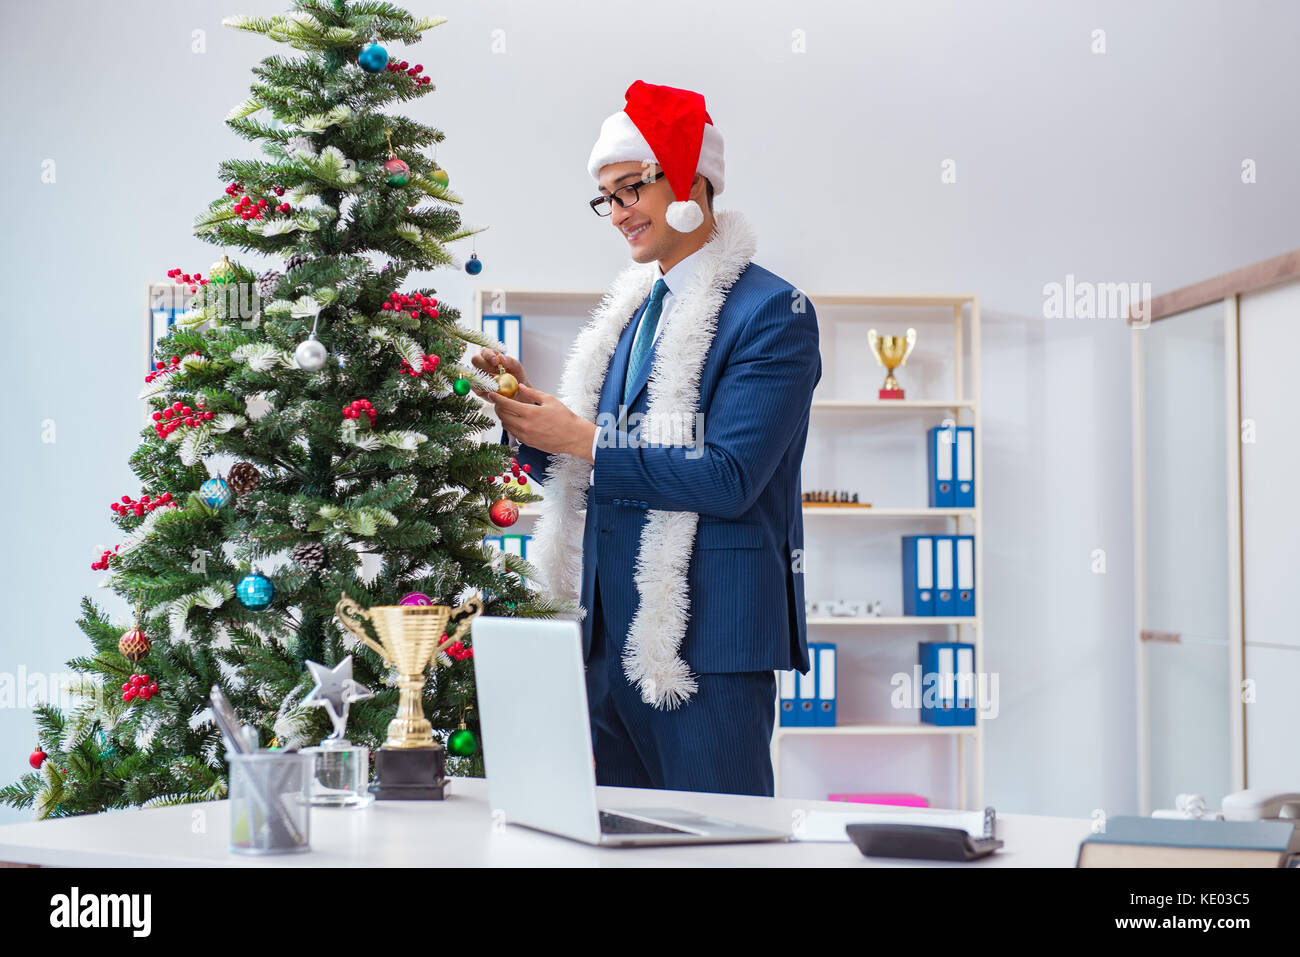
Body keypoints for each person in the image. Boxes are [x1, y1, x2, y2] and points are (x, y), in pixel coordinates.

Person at [472, 80, 820, 796]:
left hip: (706, 651)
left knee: (719, 851)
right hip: (606, 645)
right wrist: (531, 421)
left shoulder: (774, 313)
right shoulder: (632, 314)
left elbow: (728, 476)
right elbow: (603, 469)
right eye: (607, 196)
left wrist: (587, 436)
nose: (618, 212)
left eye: (631, 187)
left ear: (691, 180)